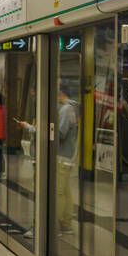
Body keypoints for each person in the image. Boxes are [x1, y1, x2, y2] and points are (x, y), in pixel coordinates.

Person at [56, 84, 78, 233]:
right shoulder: (73, 107)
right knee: (66, 192)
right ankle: (66, 222)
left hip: (62, 157)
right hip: (68, 156)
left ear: (60, 93)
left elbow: (61, 133)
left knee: (59, 192)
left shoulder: (66, 109)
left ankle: (57, 223)